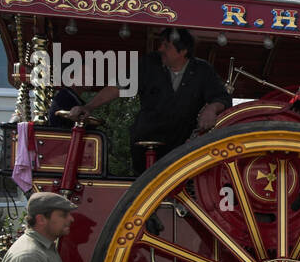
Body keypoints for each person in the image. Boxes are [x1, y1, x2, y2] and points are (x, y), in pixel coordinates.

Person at [68, 27, 230, 174]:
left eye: (166, 46)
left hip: (181, 146)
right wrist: (89, 107)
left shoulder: (203, 70)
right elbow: (118, 87)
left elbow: (221, 97)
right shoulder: (148, 63)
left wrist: (212, 108)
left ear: (183, 51)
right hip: (144, 142)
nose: (160, 49)